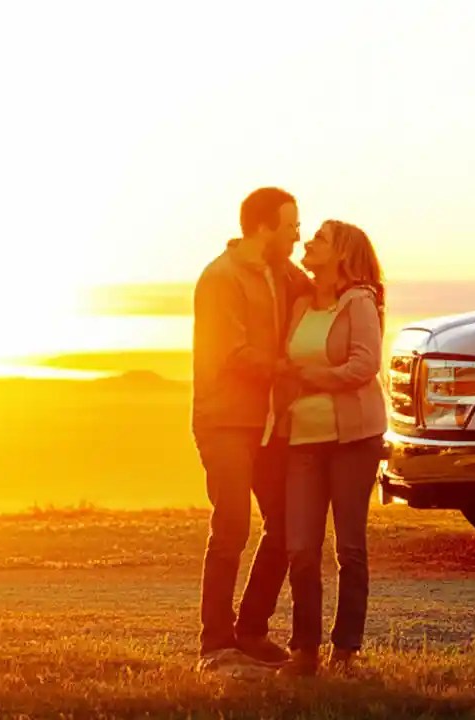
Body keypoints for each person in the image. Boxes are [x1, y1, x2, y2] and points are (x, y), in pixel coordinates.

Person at [192, 186, 313, 671]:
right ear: (264, 227)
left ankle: (251, 631)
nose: (298, 236)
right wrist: (290, 369)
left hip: (269, 423)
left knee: (286, 526)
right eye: (291, 227)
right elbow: (233, 353)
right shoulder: (221, 279)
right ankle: (215, 644)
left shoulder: (282, 272)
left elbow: (324, 287)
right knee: (232, 527)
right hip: (225, 421)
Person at [274, 220, 387, 676]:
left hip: (352, 439)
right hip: (302, 439)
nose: (307, 242)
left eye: (318, 239)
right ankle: (305, 648)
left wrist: (310, 377)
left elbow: (365, 364)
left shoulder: (359, 302)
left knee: (349, 547)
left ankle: (345, 648)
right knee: (300, 547)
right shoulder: (301, 303)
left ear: (341, 253)